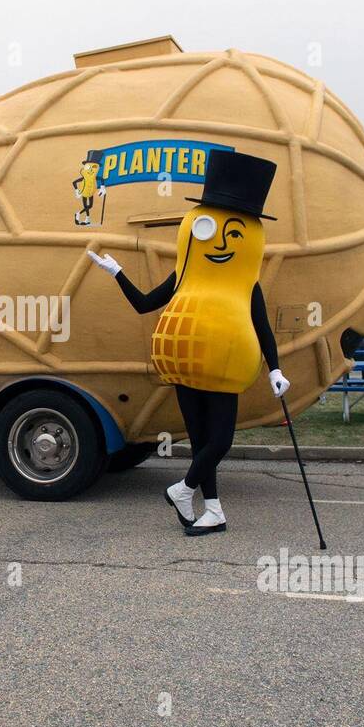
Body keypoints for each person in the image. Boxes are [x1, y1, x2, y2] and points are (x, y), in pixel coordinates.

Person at [87, 149, 289, 535]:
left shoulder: (246, 283)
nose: (219, 241)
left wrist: (276, 368)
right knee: (205, 443)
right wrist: (117, 273)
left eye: (233, 233)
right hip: (184, 364)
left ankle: (187, 491)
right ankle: (209, 508)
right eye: (207, 229)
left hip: (222, 368)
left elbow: (263, 328)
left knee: (219, 441)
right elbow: (145, 304)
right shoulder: (183, 274)